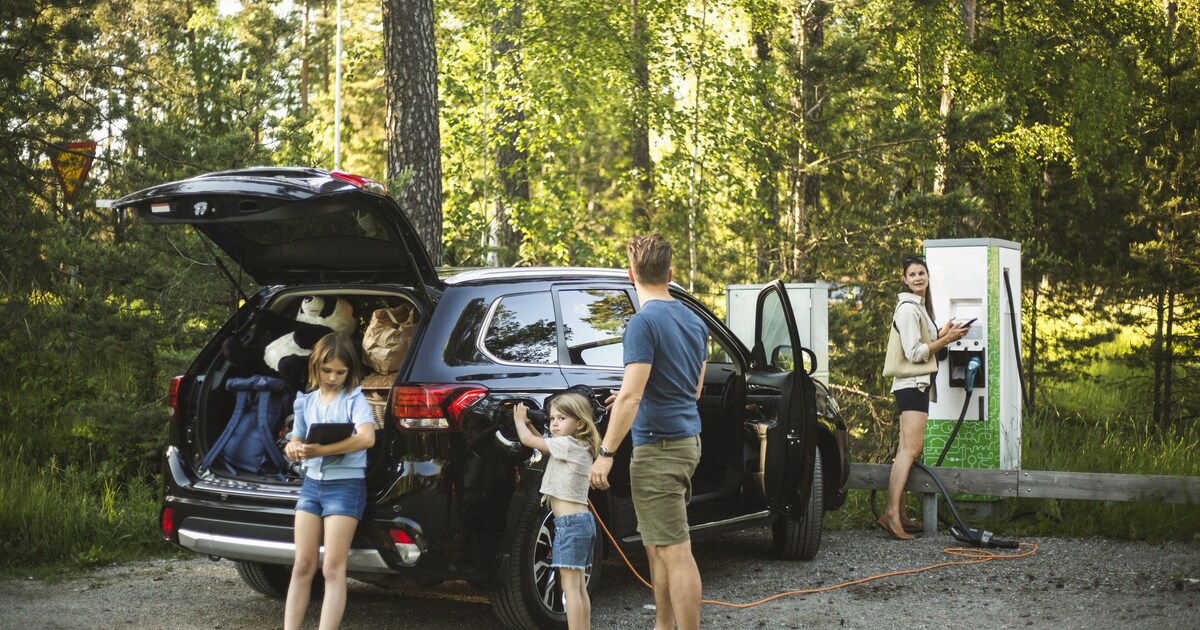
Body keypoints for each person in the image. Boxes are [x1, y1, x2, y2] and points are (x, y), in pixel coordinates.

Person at [588, 234, 707, 630]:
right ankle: (662, 625)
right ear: (670, 274)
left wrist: (605, 454)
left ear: (630, 275)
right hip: (687, 440)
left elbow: (633, 397)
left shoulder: (643, 323)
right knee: (658, 544)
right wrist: (626, 395)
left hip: (658, 449)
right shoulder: (693, 320)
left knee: (676, 549)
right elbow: (692, 388)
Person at [282, 333, 377, 630]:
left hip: (345, 487)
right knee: (302, 566)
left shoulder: (354, 399)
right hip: (311, 485)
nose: (333, 377)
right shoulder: (305, 402)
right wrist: (293, 448)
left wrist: (323, 450)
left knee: (334, 570)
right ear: (315, 366)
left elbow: (367, 438)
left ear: (350, 372)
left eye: (340, 372)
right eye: (327, 371)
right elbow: (295, 439)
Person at [879, 256, 969, 540]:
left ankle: (899, 513)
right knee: (910, 451)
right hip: (911, 385)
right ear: (904, 279)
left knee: (904, 450)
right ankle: (891, 515)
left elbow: (923, 344)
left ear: (928, 277)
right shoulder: (907, 309)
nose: (918, 278)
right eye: (912, 274)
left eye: (922, 273)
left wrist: (940, 333)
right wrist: (947, 340)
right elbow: (915, 352)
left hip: (915, 385)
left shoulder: (919, 308)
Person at [513, 393, 600, 630]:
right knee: (578, 587)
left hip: (570, 526)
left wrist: (520, 420)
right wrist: (532, 424)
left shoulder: (567, 445)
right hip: (580, 523)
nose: (554, 424)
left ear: (580, 423)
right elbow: (545, 442)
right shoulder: (576, 445)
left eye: (562, 418)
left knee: (570, 588)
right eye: (552, 418)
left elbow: (529, 440)